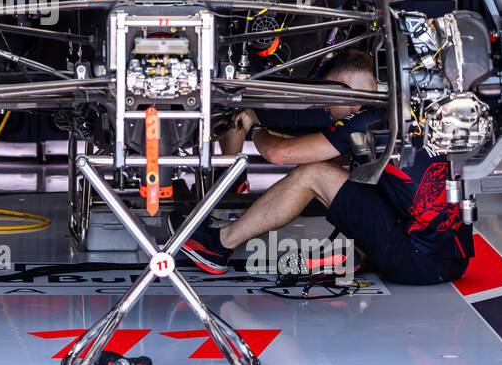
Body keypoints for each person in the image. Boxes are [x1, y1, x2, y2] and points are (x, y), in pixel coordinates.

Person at [170, 50, 472, 284]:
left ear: (347, 91)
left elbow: (278, 154)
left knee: (313, 175)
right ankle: (368, 255)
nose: (326, 108)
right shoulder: (399, 113)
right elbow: (323, 154)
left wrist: (253, 126)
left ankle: (219, 246)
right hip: (451, 257)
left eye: (329, 98)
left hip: (420, 262)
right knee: (328, 172)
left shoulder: (363, 121)